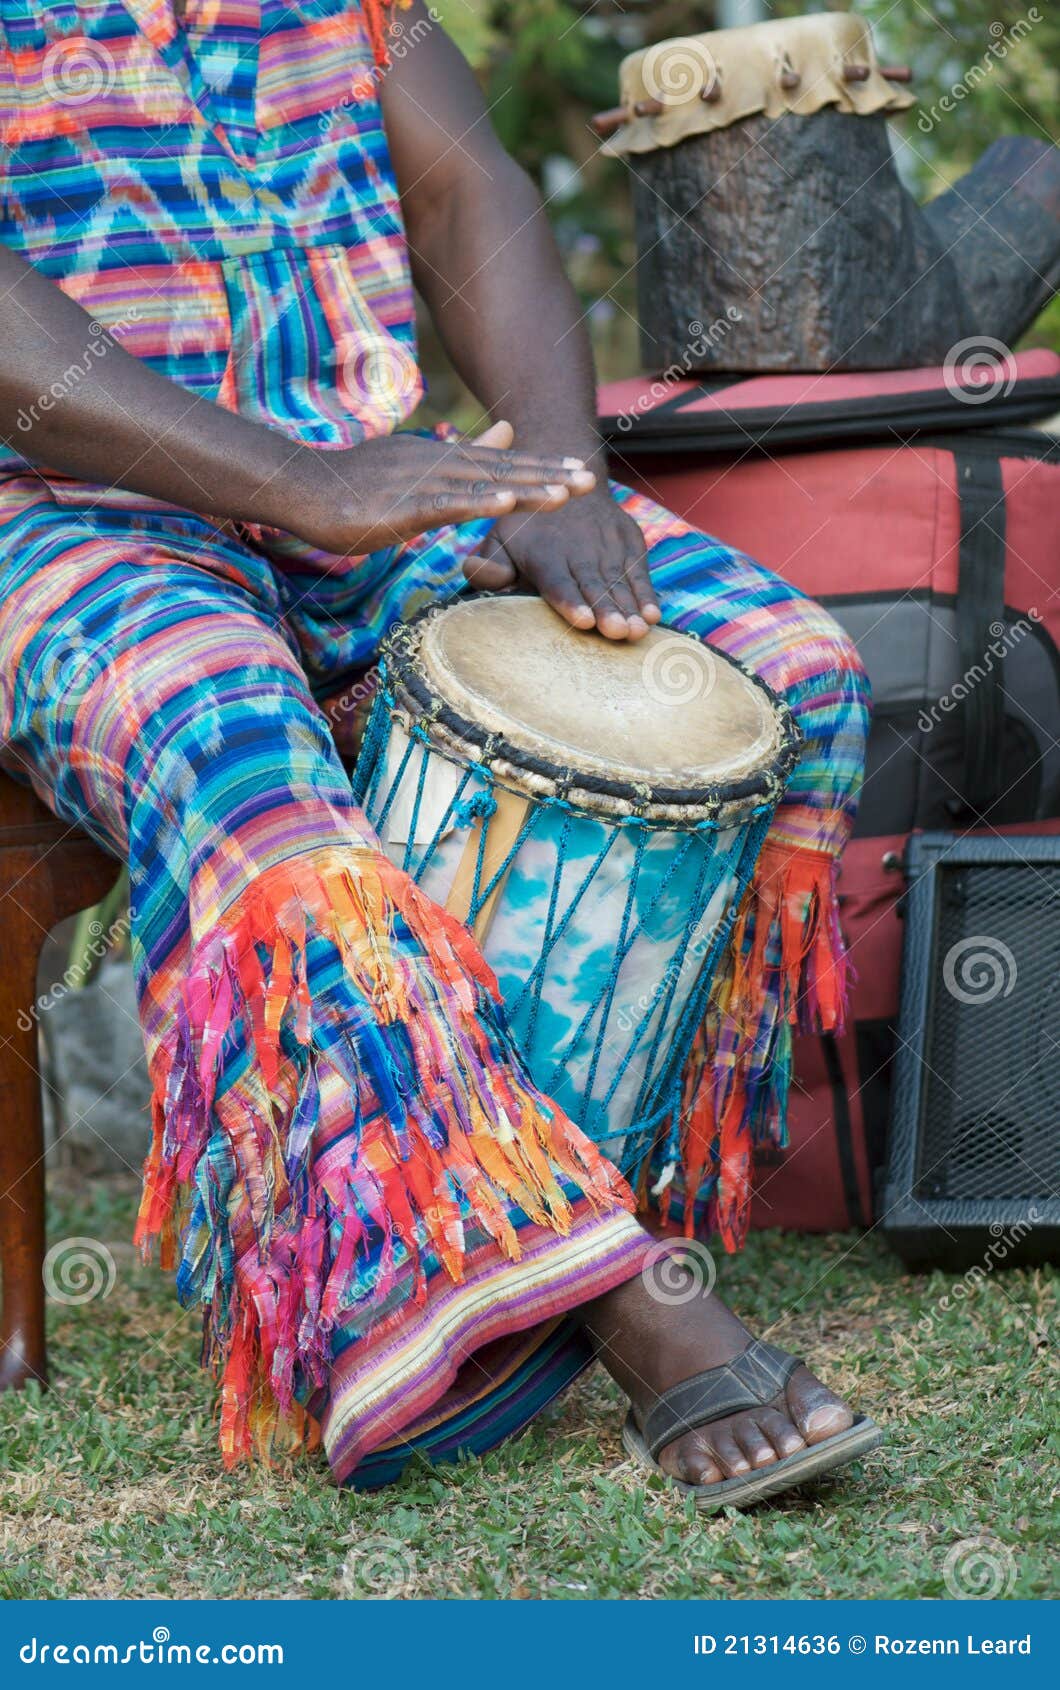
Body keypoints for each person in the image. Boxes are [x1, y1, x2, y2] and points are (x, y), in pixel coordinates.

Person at [0, 0, 876, 1502]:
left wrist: (551, 478)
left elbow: (475, 188)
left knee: (787, 675)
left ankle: (531, 1199)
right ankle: (611, 1292)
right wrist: (301, 480)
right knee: (253, 780)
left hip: (366, 483)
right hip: (68, 519)